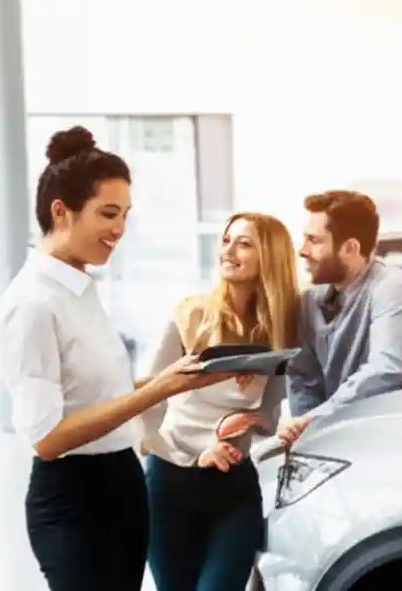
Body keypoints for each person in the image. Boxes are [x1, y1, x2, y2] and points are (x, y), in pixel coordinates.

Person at [0, 126, 234, 591]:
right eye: (107, 213)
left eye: (124, 214)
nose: (119, 228)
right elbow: (47, 438)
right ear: (61, 211)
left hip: (121, 480)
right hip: (74, 500)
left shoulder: (80, 289)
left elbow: (98, 396)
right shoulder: (32, 304)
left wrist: (175, 379)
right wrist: (158, 390)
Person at [138, 211, 299, 591]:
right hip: (170, 482)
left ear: (269, 256)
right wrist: (197, 456)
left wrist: (272, 428)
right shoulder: (190, 314)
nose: (228, 251)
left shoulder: (279, 329)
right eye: (226, 241)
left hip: (234, 489)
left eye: (243, 243)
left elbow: (268, 416)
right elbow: (145, 404)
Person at [278, 190, 402, 447]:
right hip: (347, 437)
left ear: (350, 248)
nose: (302, 250)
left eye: (314, 240)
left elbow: (387, 370)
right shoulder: (311, 299)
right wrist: (308, 432)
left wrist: (314, 420)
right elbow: (303, 377)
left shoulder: (393, 287)